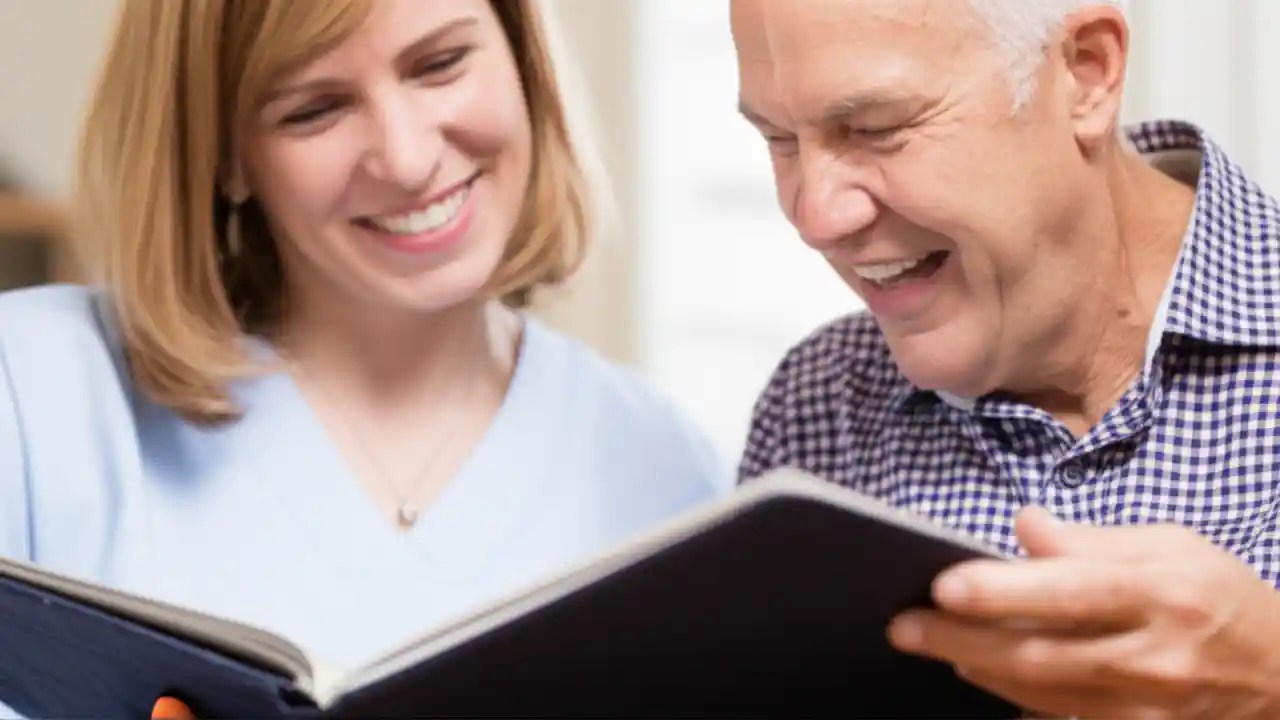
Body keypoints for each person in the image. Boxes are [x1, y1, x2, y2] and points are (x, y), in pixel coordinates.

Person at [0, 0, 729, 708]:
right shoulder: (33, 394)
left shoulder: (670, 475)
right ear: (224, 155)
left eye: (440, 64)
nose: (407, 161)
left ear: (522, 58)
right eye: (314, 110)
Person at [731, 0, 1280, 717]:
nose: (816, 218)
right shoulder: (817, 406)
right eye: (779, 140)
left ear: (1087, 73)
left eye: (876, 130)